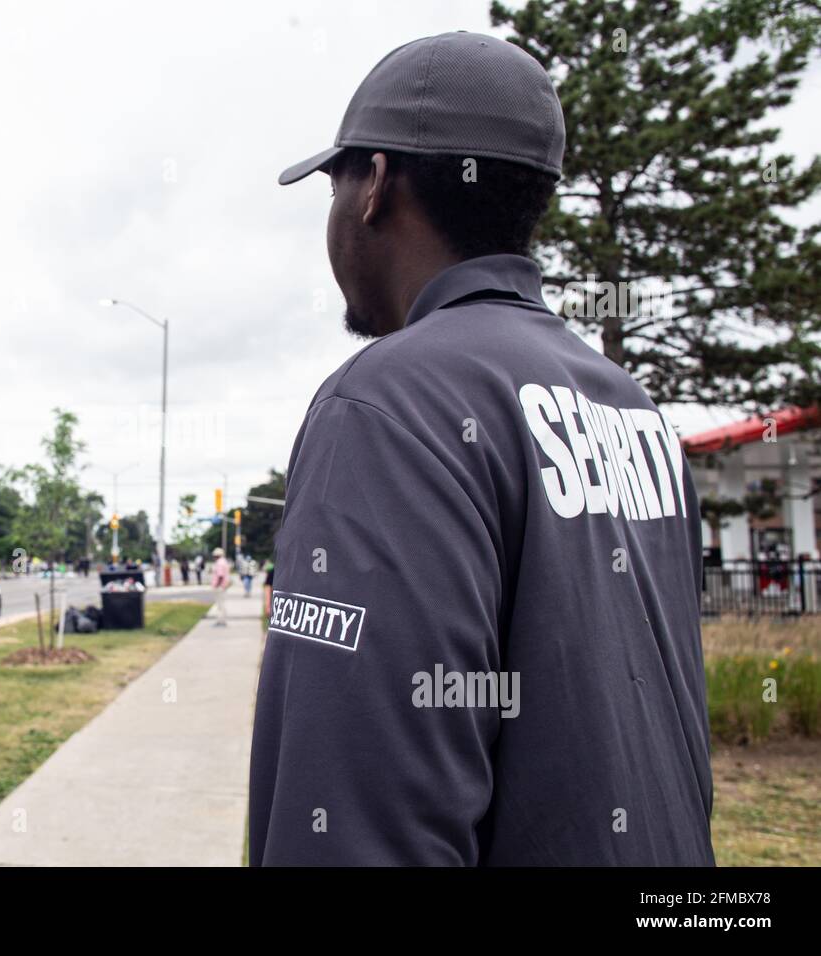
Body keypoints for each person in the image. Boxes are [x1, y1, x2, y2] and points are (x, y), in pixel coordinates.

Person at [250, 33, 713, 867]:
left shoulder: (387, 405)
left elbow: (356, 823)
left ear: (376, 186)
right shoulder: (634, 410)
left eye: (335, 181)